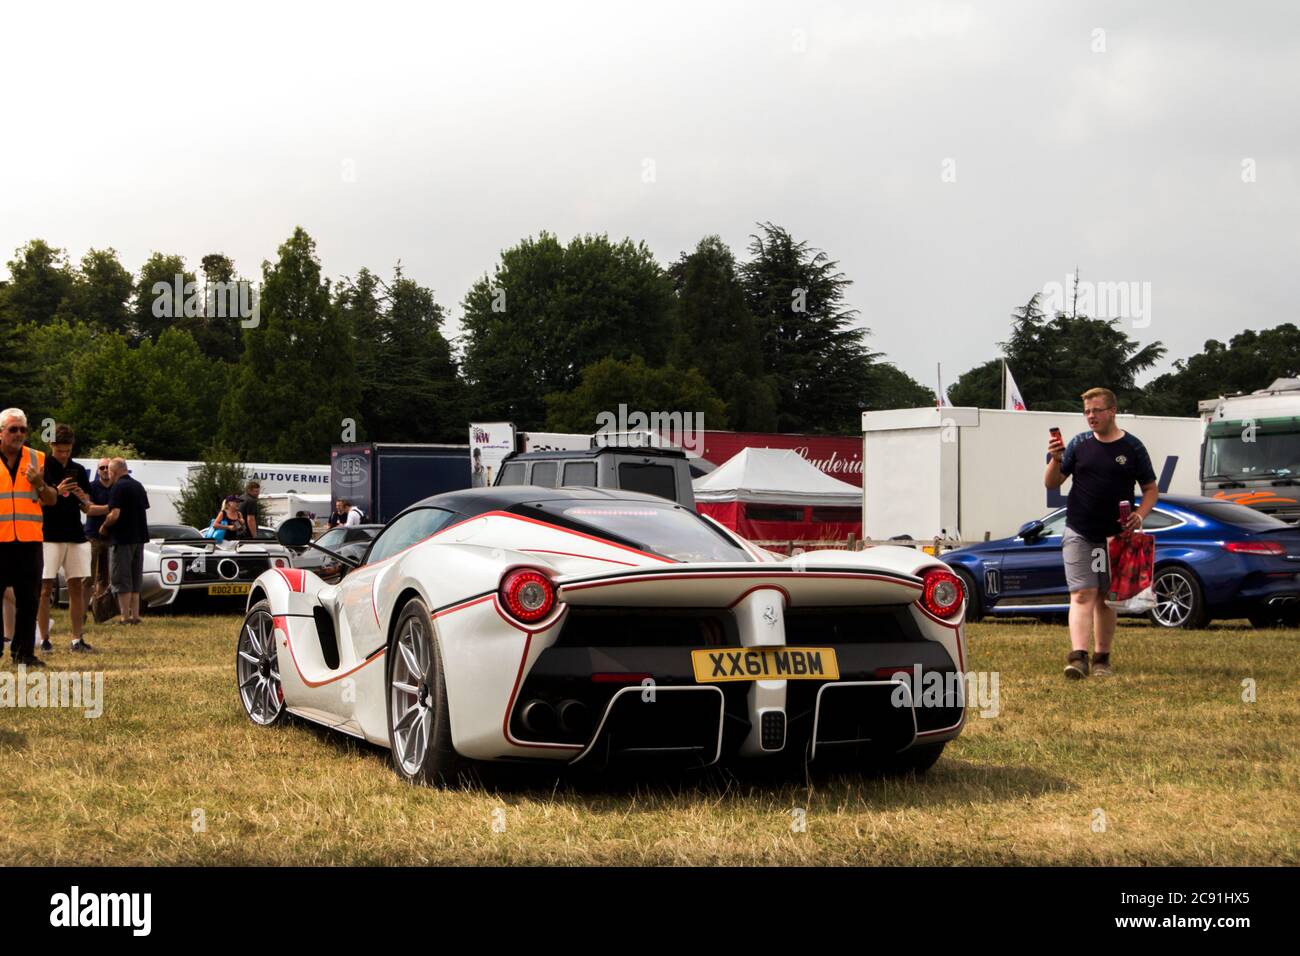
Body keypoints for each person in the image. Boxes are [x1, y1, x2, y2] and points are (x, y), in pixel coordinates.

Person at [1045, 387, 1158, 679]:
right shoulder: (1079, 444)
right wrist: (1055, 459)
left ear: (1112, 411)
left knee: (1106, 597)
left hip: (1115, 536)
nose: (1091, 417)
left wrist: (1140, 515)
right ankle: (1078, 658)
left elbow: (1150, 489)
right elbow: (1052, 483)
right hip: (1080, 531)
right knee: (1082, 592)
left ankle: (1102, 659)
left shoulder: (1132, 447)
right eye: (1086, 412)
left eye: (1096, 411)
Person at [0, 408, 57, 666]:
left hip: (29, 541)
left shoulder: (38, 459)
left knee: (28, 599)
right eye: (13, 429)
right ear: (1, 432)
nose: (19, 434)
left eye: (23, 429)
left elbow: (53, 499)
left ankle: (24, 653)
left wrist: (40, 484)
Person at [37, 424, 95, 653]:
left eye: (68, 450)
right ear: (51, 446)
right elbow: (37, 503)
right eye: (60, 450)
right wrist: (57, 492)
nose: (64, 454)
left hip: (75, 534)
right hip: (49, 534)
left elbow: (87, 509)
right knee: (44, 588)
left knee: (77, 587)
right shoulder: (42, 469)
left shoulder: (79, 470)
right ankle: (44, 639)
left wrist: (84, 500)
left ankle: (76, 638)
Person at [99, 458, 150, 625]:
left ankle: (124, 617)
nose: (108, 475)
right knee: (135, 578)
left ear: (115, 472)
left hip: (122, 539)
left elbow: (115, 514)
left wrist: (104, 526)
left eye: (110, 472)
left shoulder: (118, 487)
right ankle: (135, 616)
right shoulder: (138, 486)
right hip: (139, 538)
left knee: (121, 578)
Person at [82, 457, 113, 603]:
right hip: (92, 537)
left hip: (111, 537)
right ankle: (81, 611)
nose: (105, 470)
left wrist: (98, 509)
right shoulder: (90, 487)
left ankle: (99, 610)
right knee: (88, 577)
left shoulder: (117, 487)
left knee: (105, 578)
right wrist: (110, 508)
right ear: (98, 470)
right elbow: (88, 510)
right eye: (102, 468)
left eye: (108, 467)